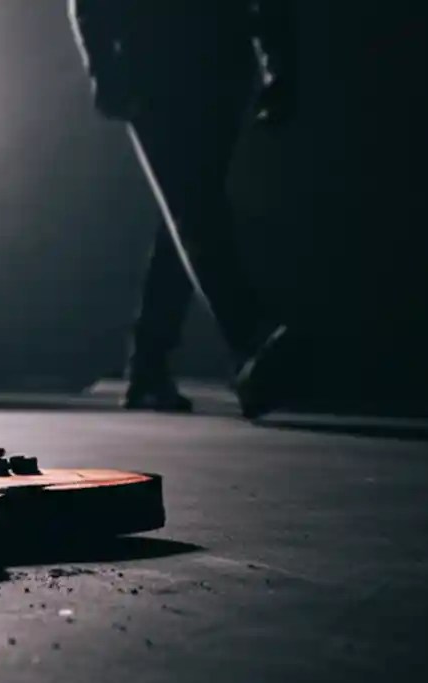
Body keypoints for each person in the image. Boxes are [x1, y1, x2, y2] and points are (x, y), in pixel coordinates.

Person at [69, 0, 300, 418]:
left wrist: (104, 68)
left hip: (173, 64)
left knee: (188, 209)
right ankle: (246, 340)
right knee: (193, 207)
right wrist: (278, 63)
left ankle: (156, 364)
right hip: (193, 64)